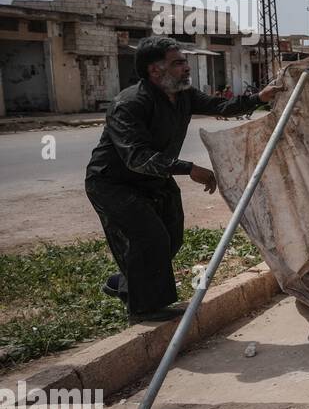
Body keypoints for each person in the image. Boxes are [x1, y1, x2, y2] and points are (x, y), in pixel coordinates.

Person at [85, 36, 279, 322]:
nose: (187, 68)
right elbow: (137, 157)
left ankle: (125, 284)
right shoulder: (129, 104)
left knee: (171, 238)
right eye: (178, 63)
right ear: (155, 71)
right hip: (113, 183)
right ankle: (144, 310)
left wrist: (258, 98)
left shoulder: (183, 94)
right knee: (149, 237)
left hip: (154, 180)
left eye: (185, 62)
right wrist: (190, 169)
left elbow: (219, 107)